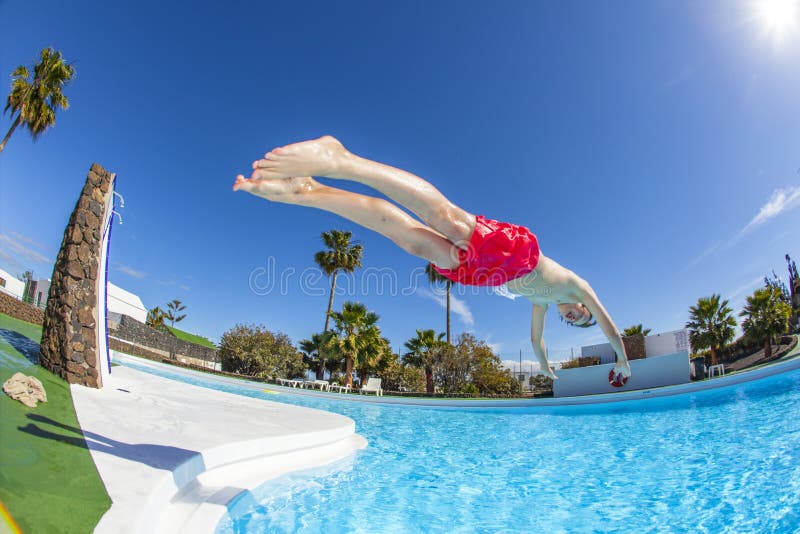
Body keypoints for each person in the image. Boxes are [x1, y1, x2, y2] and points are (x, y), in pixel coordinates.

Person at [233, 135, 631, 383]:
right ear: (582, 305)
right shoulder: (576, 286)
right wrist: (623, 360)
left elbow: (535, 341)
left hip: (488, 275)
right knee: (446, 218)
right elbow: (611, 326)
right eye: (582, 315)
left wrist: (545, 367)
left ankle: (311, 191)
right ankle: (340, 159)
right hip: (517, 253)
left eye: (574, 323)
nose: (576, 317)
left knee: (413, 244)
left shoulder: (542, 302)